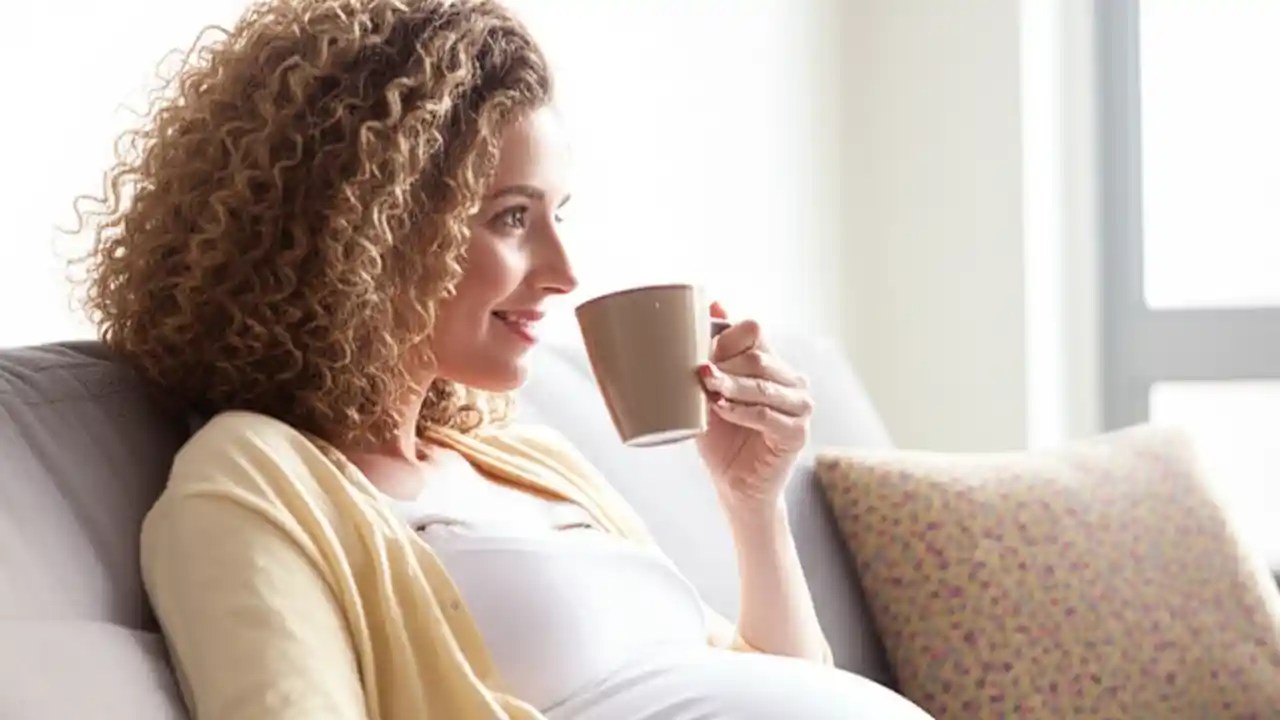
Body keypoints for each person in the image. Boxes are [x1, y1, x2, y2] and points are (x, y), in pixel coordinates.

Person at [76, 1, 932, 718]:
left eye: (557, 213)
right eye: (513, 218)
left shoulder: (532, 463)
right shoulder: (252, 477)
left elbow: (781, 686)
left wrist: (752, 503)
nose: (563, 273)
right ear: (365, 232)